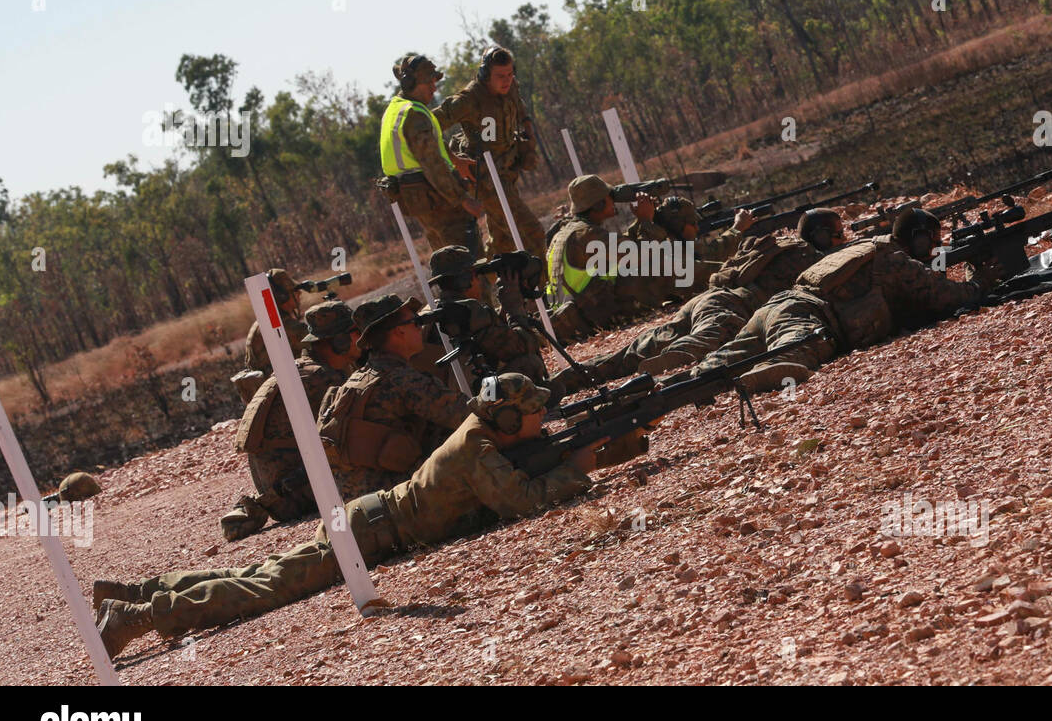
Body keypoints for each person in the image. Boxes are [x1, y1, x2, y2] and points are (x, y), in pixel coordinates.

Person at [93, 374, 643, 658]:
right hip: (368, 533)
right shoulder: (476, 449)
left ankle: (139, 590)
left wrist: (613, 448)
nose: (542, 416)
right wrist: (578, 469)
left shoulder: (486, 436)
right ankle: (139, 618)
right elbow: (524, 500)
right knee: (269, 589)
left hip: (368, 521)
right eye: (532, 411)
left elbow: (533, 467)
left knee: (260, 572)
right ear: (502, 416)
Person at [689, 208, 1000, 393]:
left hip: (774, 308)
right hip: (807, 316)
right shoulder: (894, 260)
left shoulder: (867, 248)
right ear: (918, 240)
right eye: (932, 242)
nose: (935, 251)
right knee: (796, 350)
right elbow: (949, 298)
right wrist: (981, 281)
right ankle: (769, 371)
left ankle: (683, 382)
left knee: (723, 359)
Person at [547, 209, 840, 399]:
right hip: (731, 306)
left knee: (634, 349)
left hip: (704, 299)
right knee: (707, 338)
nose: (841, 239)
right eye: (837, 234)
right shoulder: (809, 258)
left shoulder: (776, 246)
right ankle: (672, 363)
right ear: (822, 236)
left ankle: (568, 380)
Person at [221, 302, 362, 541]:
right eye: (354, 334)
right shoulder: (323, 378)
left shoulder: (298, 369)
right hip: (294, 495)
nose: (361, 339)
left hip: (283, 492)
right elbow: (346, 436)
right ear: (337, 341)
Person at [316, 295, 469, 500]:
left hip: (359, 503)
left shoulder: (357, 379)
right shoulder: (402, 379)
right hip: (396, 499)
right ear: (399, 331)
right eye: (415, 322)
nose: (419, 328)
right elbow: (466, 415)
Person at [432, 46, 545, 265]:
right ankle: (540, 296)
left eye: (510, 74)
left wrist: (529, 140)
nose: (506, 80)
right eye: (500, 76)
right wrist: (455, 161)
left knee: (504, 245)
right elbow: (427, 126)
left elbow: (522, 111)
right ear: (485, 75)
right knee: (531, 234)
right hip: (487, 181)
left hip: (507, 173)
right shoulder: (468, 100)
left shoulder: (511, 87)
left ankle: (489, 286)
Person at [379, 52, 482, 253]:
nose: (434, 88)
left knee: (450, 267)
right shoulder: (414, 114)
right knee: (470, 265)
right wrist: (463, 198)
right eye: (429, 83)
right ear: (410, 84)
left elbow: (426, 145)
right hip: (439, 202)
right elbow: (432, 164)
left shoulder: (396, 109)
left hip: (421, 202)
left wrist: (454, 159)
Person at [427, 245, 548, 384]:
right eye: (476, 275)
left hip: (463, 392)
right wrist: (515, 306)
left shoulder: (446, 309)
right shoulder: (469, 313)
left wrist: (505, 308)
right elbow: (525, 345)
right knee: (529, 364)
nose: (479, 281)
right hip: (484, 395)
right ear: (467, 279)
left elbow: (493, 334)